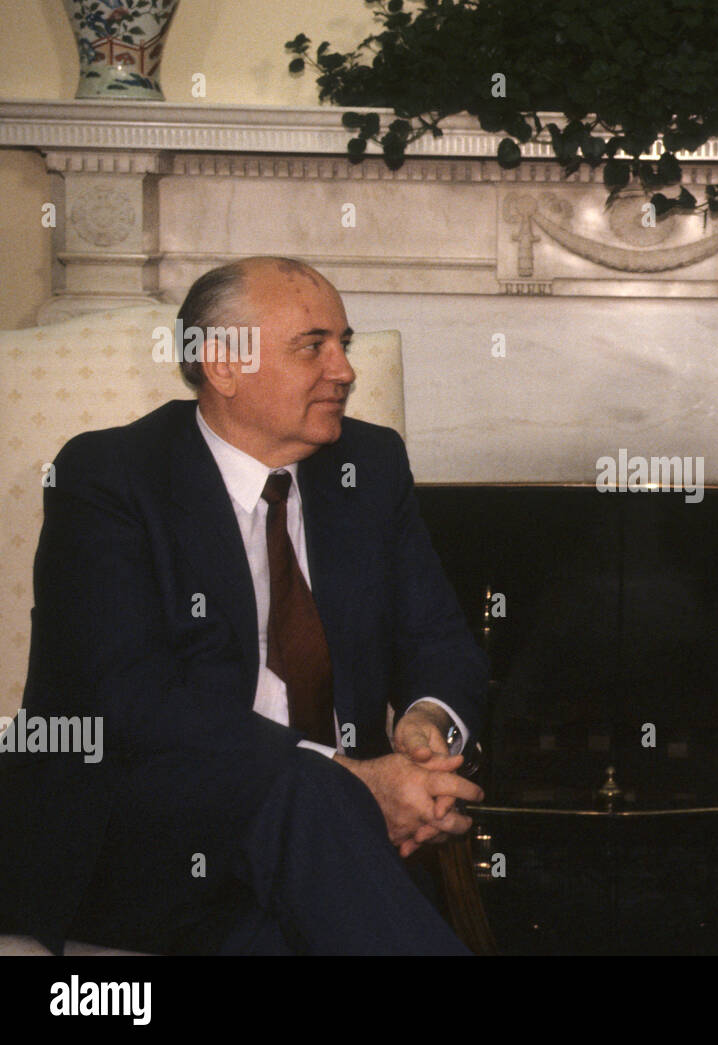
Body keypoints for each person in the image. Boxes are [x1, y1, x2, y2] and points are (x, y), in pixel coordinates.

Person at [0, 257, 488, 955]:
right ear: (223, 366)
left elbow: (440, 638)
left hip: (319, 851)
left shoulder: (370, 467)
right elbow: (127, 701)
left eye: (344, 343)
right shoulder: (108, 479)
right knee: (306, 792)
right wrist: (355, 779)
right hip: (148, 837)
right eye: (312, 345)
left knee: (289, 897)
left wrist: (424, 728)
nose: (344, 370)